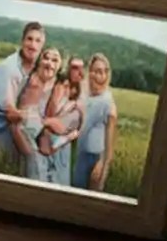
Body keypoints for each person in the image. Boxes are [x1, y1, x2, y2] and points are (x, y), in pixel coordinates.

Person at [0, 21, 45, 158]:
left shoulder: (35, 69)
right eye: (29, 39)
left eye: (38, 41)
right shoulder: (9, 69)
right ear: (22, 41)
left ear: (42, 46)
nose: (33, 45)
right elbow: (10, 114)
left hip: (20, 132)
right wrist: (41, 119)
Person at [11, 46, 61, 181]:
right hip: (22, 128)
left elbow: (50, 116)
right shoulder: (28, 79)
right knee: (34, 165)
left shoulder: (57, 86)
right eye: (46, 58)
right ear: (39, 60)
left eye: (55, 60)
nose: (49, 63)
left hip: (40, 131)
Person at [37, 55, 86, 185]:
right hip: (52, 136)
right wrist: (72, 105)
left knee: (62, 181)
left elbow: (82, 121)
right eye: (74, 68)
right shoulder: (61, 85)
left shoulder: (80, 89)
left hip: (65, 141)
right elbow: (52, 113)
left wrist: (70, 135)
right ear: (69, 69)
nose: (78, 71)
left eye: (81, 68)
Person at [74, 53, 118, 191]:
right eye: (95, 71)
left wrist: (102, 165)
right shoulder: (84, 94)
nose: (99, 76)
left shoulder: (108, 103)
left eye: (102, 72)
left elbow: (110, 145)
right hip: (80, 155)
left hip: (97, 158)